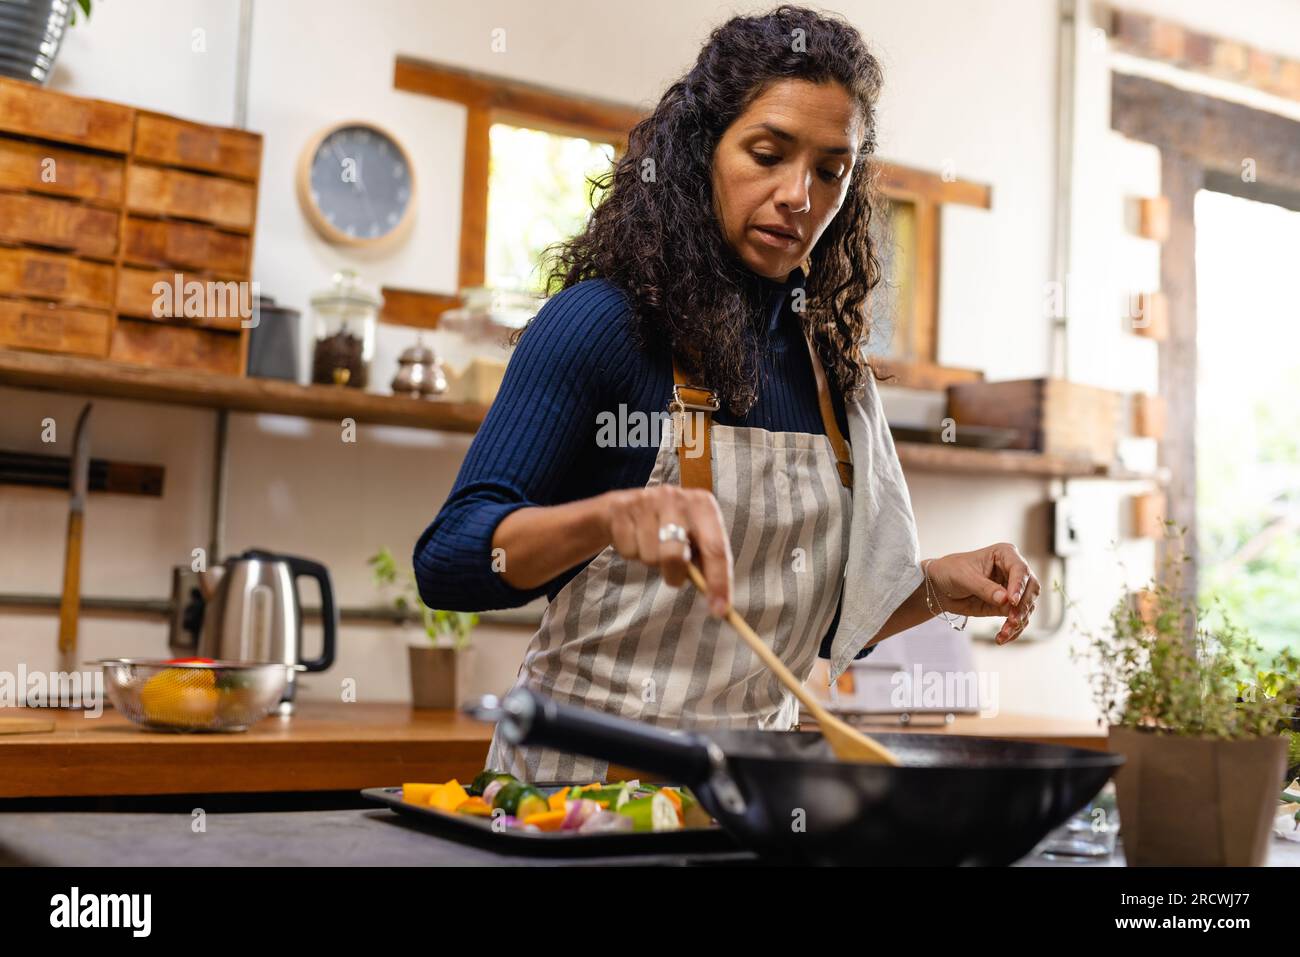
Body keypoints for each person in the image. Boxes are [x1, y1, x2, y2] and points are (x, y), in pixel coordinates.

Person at [415, 4, 1040, 783]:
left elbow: (820, 624)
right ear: (702, 151)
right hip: (575, 799)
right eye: (768, 153)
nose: (797, 195)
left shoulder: (832, 374)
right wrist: (607, 517)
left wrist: (941, 585)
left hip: (747, 802)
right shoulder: (603, 325)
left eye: (829, 171)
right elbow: (447, 561)